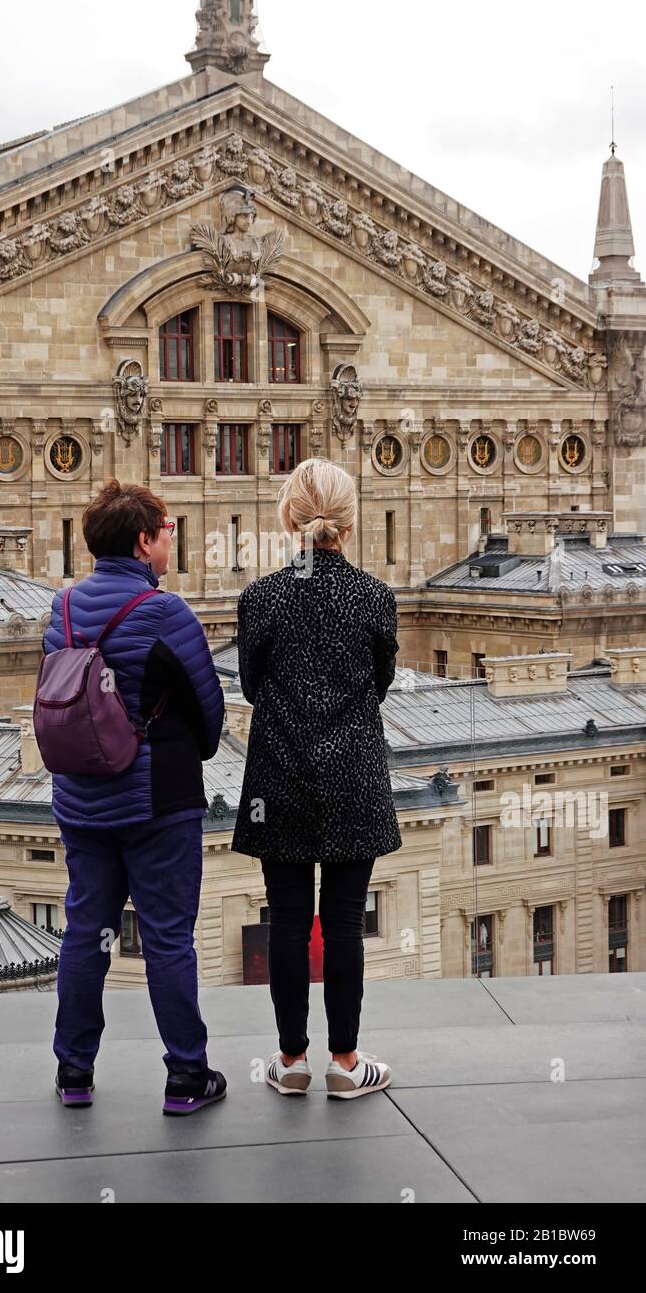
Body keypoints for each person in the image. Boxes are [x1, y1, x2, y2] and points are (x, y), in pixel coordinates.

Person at [43, 479, 226, 1115]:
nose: (170, 542)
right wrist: (180, 749)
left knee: (84, 931)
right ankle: (185, 1076)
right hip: (157, 802)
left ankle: (74, 1071)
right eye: (167, 531)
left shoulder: (61, 610)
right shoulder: (166, 612)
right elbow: (209, 711)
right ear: (145, 541)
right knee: (169, 938)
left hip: (81, 799)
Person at [231, 457, 401, 1099]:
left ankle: (292, 1061)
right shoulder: (375, 599)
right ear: (349, 525)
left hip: (280, 776)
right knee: (346, 921)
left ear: (289, 521)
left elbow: (249, 684)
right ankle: (346, 1063)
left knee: (288, 923)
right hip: (353, 775)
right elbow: (380, 685)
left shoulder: (262, 598)